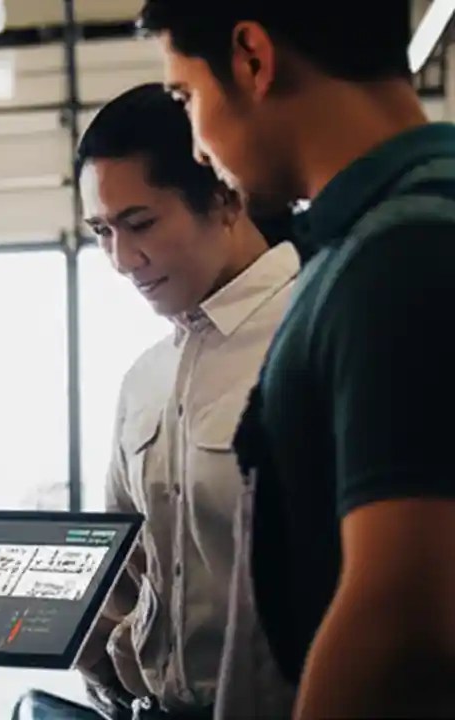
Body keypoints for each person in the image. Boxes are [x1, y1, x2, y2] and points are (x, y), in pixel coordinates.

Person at [139, 2, 455, 718]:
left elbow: (403, 624)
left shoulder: (402, 256)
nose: (195, 144)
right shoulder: (366, 245)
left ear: (252, 58)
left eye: (188, 98)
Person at [67, 83, 297, 720]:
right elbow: (131, 562)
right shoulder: (146, 376)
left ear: (224, 197)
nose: (121, 259)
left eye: (139, 224)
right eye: (101, 231)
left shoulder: (316, 337)